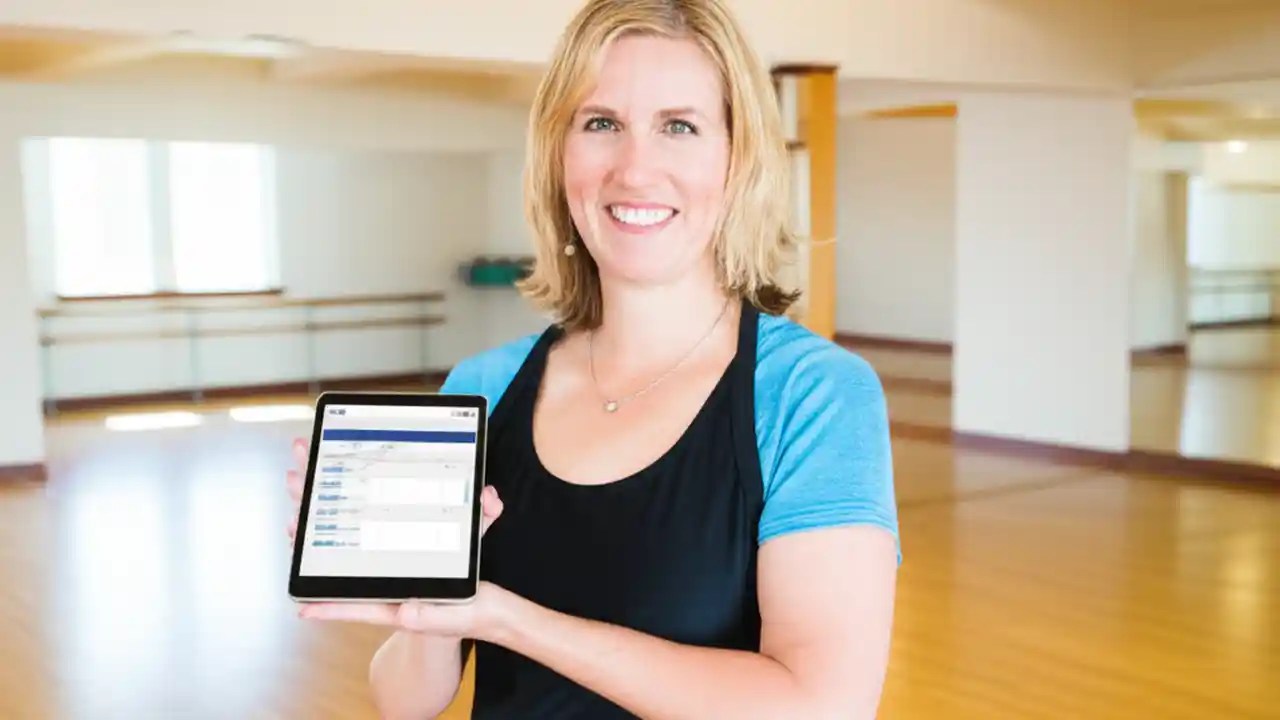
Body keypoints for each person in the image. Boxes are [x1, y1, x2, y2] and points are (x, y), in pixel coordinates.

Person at [285, 0, 900, 716]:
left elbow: (818, 706)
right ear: (559, 153)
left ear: (738, 161)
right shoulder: (485, 387)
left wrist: (509, 619)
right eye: (601, 123)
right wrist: (427, 609)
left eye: (680, 126)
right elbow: (405, 701)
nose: (636, 169)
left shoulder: (812, 394)